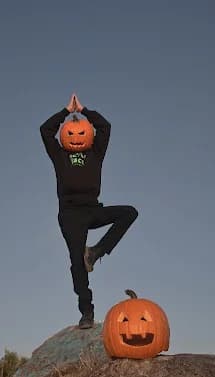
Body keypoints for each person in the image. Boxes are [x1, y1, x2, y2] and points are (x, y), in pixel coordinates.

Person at [39, 93, 139, 329]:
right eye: (71, 133)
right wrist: (66, 111)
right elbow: (45, 130)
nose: (75, 137)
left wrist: (83, 110)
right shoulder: (59, 155)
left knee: (129, 212)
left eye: (81, 133)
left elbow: (105, 126)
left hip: (92, 210)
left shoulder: (96, 152)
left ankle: (96, 252)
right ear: (65, 137)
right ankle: (87, 311)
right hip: (70, 216)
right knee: (76, 263)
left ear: (90, 136)